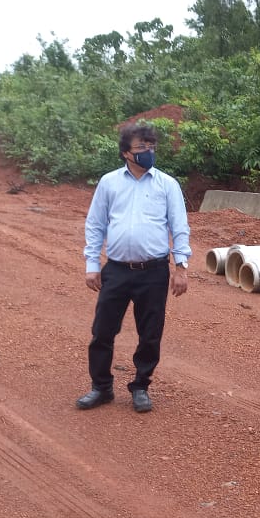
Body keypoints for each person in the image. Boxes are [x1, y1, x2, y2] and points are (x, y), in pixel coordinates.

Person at [77, 122, 191, 413]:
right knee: (102, 331)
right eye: (141, 147)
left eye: (151, 146)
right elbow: (95, 225)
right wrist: (92, 264)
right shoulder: (109, 183)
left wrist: (181, 268)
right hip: (116, 270)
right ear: (126, 152)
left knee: (150, 333)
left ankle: (141, 386)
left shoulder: (167, 184)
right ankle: (101, 388)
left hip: (153, 272)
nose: (148, 151)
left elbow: (179, 227)